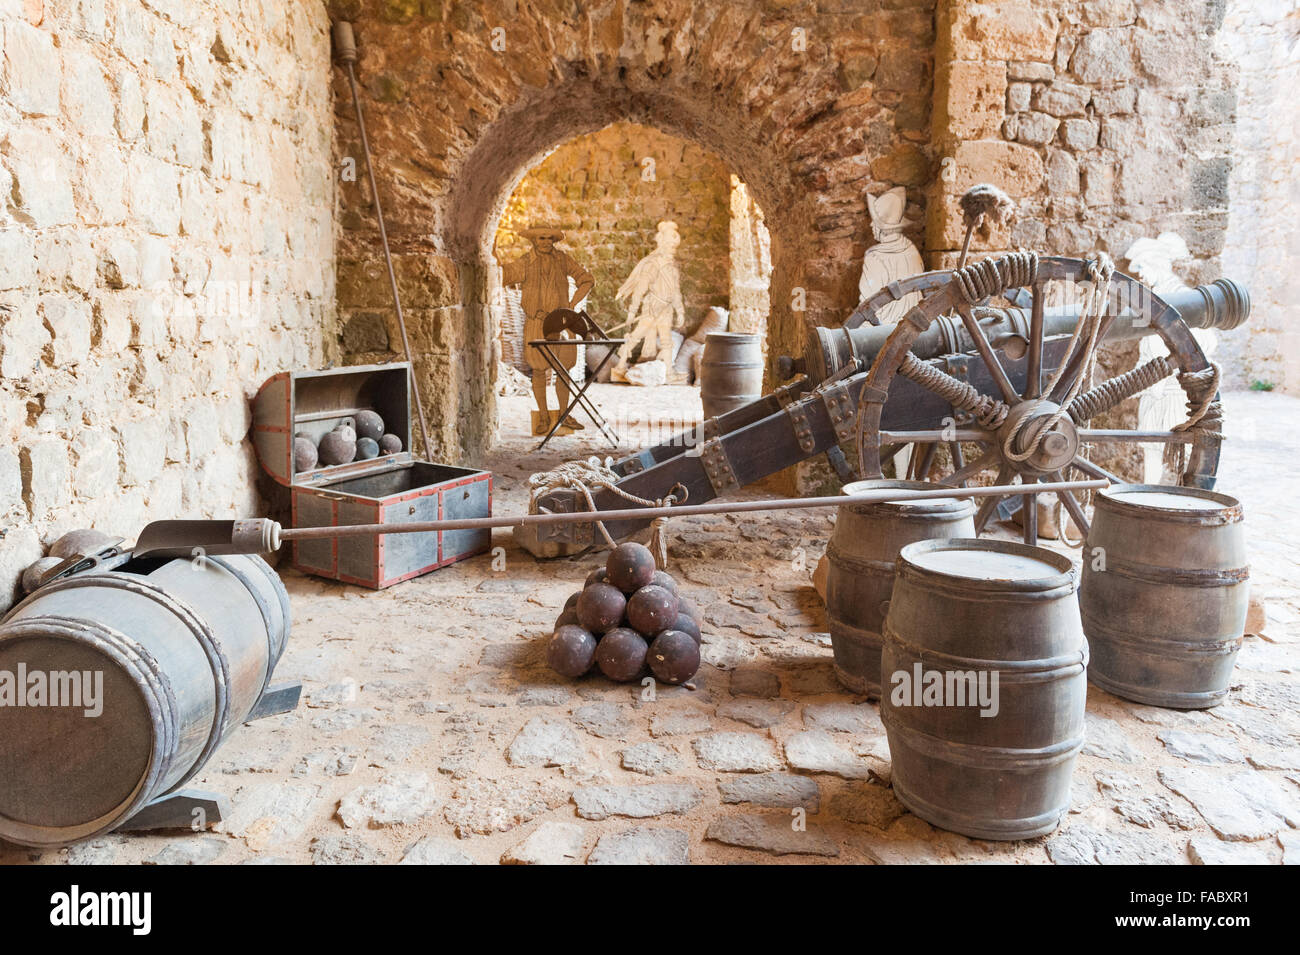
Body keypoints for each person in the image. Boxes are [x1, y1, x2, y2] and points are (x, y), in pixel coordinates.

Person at [500, 226, 594, 430]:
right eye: (541, 238)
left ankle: (564, 415)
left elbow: (587, 280)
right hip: (536, 322)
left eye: (549, 238)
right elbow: (504, 275)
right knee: (539, 370)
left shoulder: (562, 259)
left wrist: (571, 304)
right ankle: (543, 417)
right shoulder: (525, 262)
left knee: (564, 371)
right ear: (534, 240)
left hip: (561, 321)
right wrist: (493, 255)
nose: (546, 242)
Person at [612, 221, 686, 383]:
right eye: (670, 246)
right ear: (663, 244)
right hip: (652, 307)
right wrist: (632, 311)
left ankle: (668, 373)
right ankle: (619, 368)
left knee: (666, 341)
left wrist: (680, 311)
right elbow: (640, 289)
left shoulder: (672, 267)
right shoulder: (652, 264)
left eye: (674, 247)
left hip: (666, 309)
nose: (673, 250)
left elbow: (675, 292)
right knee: (636, 336)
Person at [857, 186, 924, 324]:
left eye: (874, 221)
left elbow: (866, 306)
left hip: (881, 327)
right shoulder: (912, 249)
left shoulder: (874, 257)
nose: (870, 224)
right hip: (912, 322)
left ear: (881, 228)